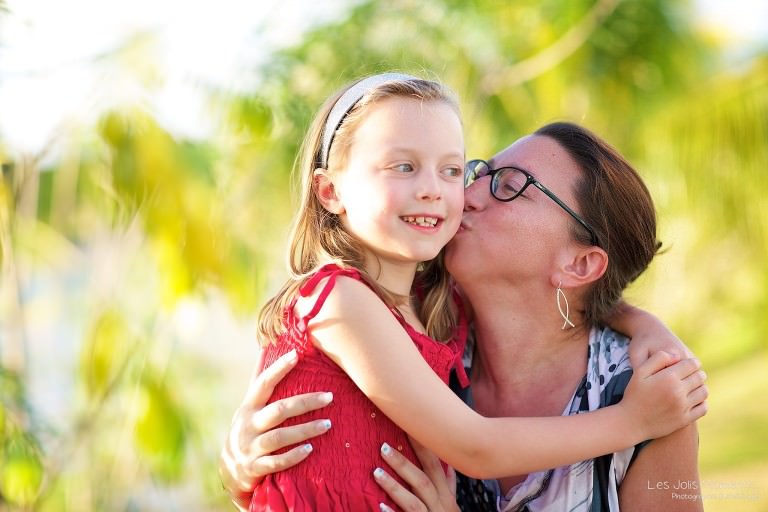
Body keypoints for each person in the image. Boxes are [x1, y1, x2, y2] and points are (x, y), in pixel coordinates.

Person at [227, 72, 707, 512]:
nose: (465, 194)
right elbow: (469, 446)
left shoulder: (652, 400)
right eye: (479, 173)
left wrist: (647, 334)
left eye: (509, 186)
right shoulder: (426, 320)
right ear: (330, 191)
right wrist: (239, 465)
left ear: (580, 263)